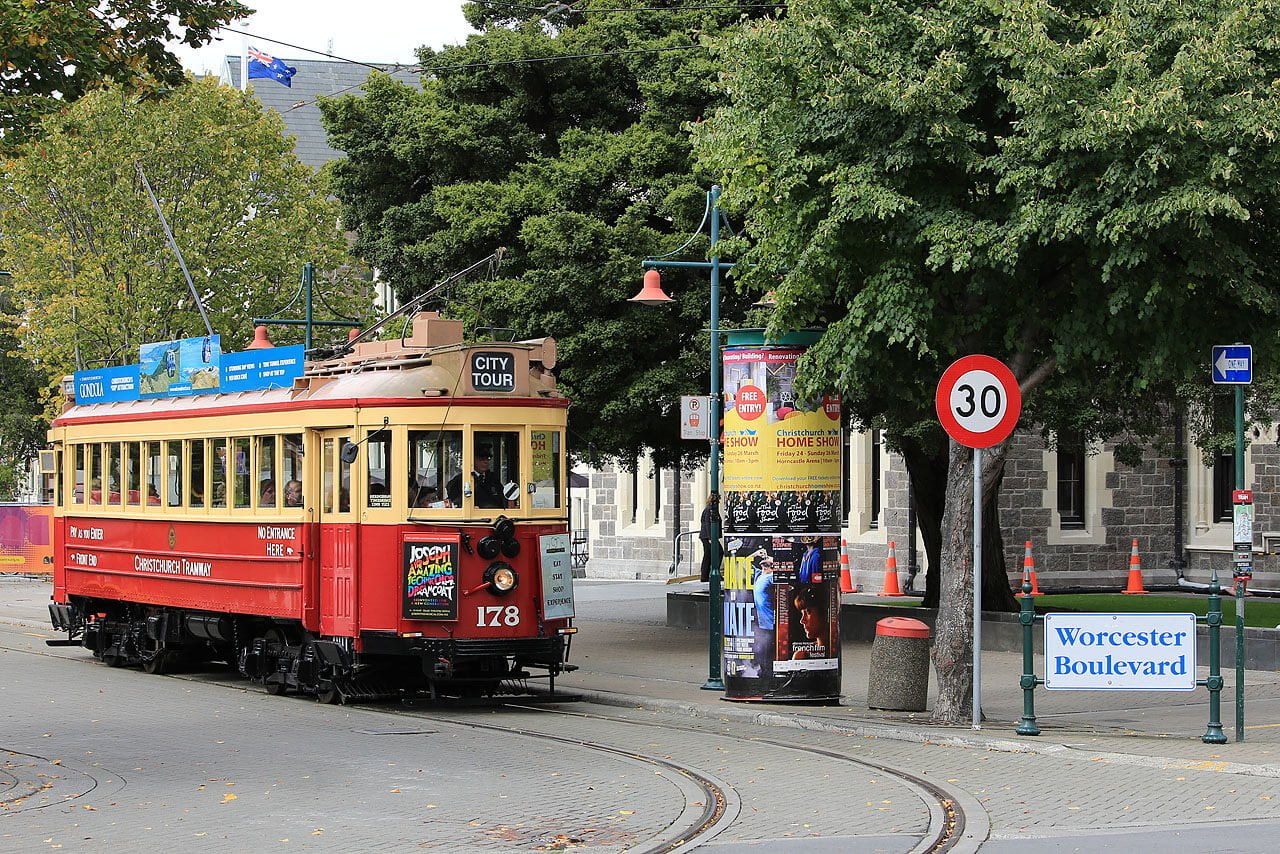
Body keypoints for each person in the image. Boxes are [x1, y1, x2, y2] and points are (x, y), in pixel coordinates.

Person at [448, 444, 506, 508]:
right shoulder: (461, 480)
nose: (486, 462)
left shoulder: (493, 479)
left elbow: (502, 500)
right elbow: (454, 503)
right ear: (472, 460)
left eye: (488, 459)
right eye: (481, 459)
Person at [791, 585, 830, 659]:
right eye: (802, 614)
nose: (802, 621)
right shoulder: (801, 655)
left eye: (808, 612)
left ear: (825, 613)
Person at [698, 492, 720, 583]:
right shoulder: (709, 510)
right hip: (707, 537)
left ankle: (707, 575)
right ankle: (707, 574)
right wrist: (710, 537)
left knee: (709, 554)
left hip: (708, 536)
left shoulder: (711, 509)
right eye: (718, 501)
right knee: (713, 554)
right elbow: (707, 523)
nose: (719, 502)